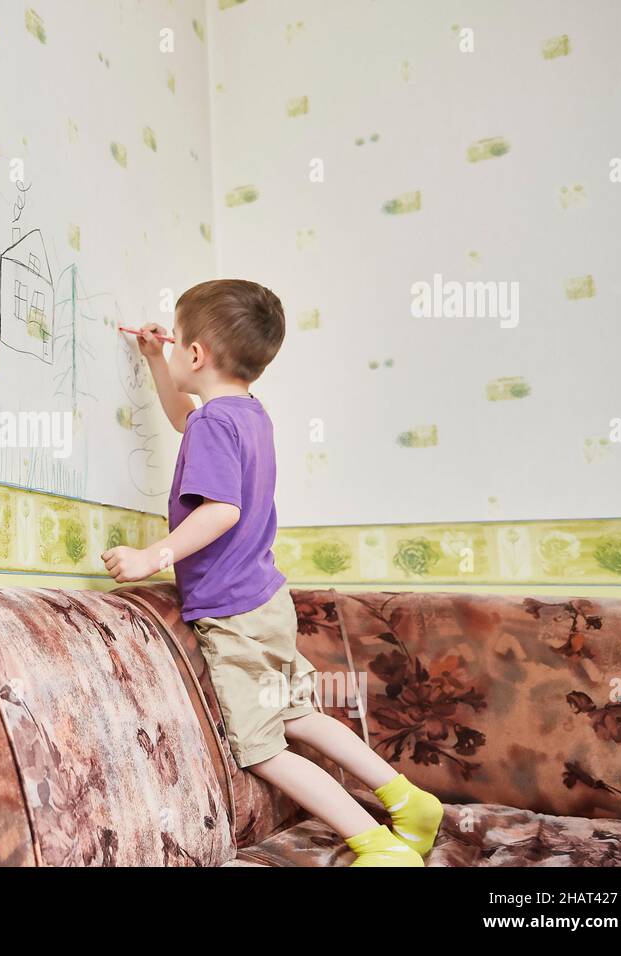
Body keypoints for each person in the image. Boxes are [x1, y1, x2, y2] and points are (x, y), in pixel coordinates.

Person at [101, 279, 443, 867]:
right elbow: (185, 420)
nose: (171, 345)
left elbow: (222, 509)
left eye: (176, 339)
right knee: (301, 714)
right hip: (266, 601)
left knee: (262, 749)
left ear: (198, 354)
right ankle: (410, 802)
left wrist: (153, 557)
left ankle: (376, 845)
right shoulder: (246, 416)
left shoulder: (216, 425)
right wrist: (158, 359)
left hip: (234, 613)